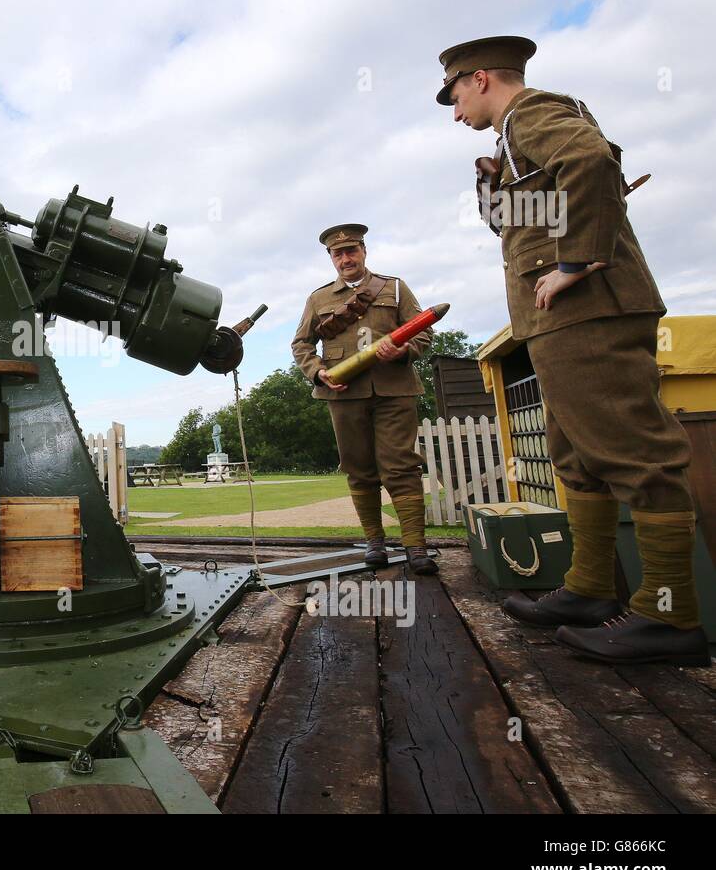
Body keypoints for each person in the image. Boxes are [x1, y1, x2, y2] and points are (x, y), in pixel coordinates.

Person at [439, 35, 707, 666]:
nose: (455, 114)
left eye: (454, 96)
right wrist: (498, 196)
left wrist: (575, 262)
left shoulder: (530, 112)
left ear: (479, 79)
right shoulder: (511, 138)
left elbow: (590, 162)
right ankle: (589, 590)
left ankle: (670, 619)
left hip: (591, 310)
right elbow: (541, 209)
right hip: (559, 322)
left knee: (635, 450)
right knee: (578, 453)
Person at [291, 224, 437, 574]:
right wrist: (317, 372)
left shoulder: (395, 288)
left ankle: (416, 547)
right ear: (331, 259)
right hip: (343, 394)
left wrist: (402, 349)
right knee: (358, 469)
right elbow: (301, 344)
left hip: (395, 389)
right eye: (337, 254)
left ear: (364, 251)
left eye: (351, 251)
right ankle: (375, 542)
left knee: (402, 466)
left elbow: (424, 332)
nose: (345, 258)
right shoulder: (318, 299)